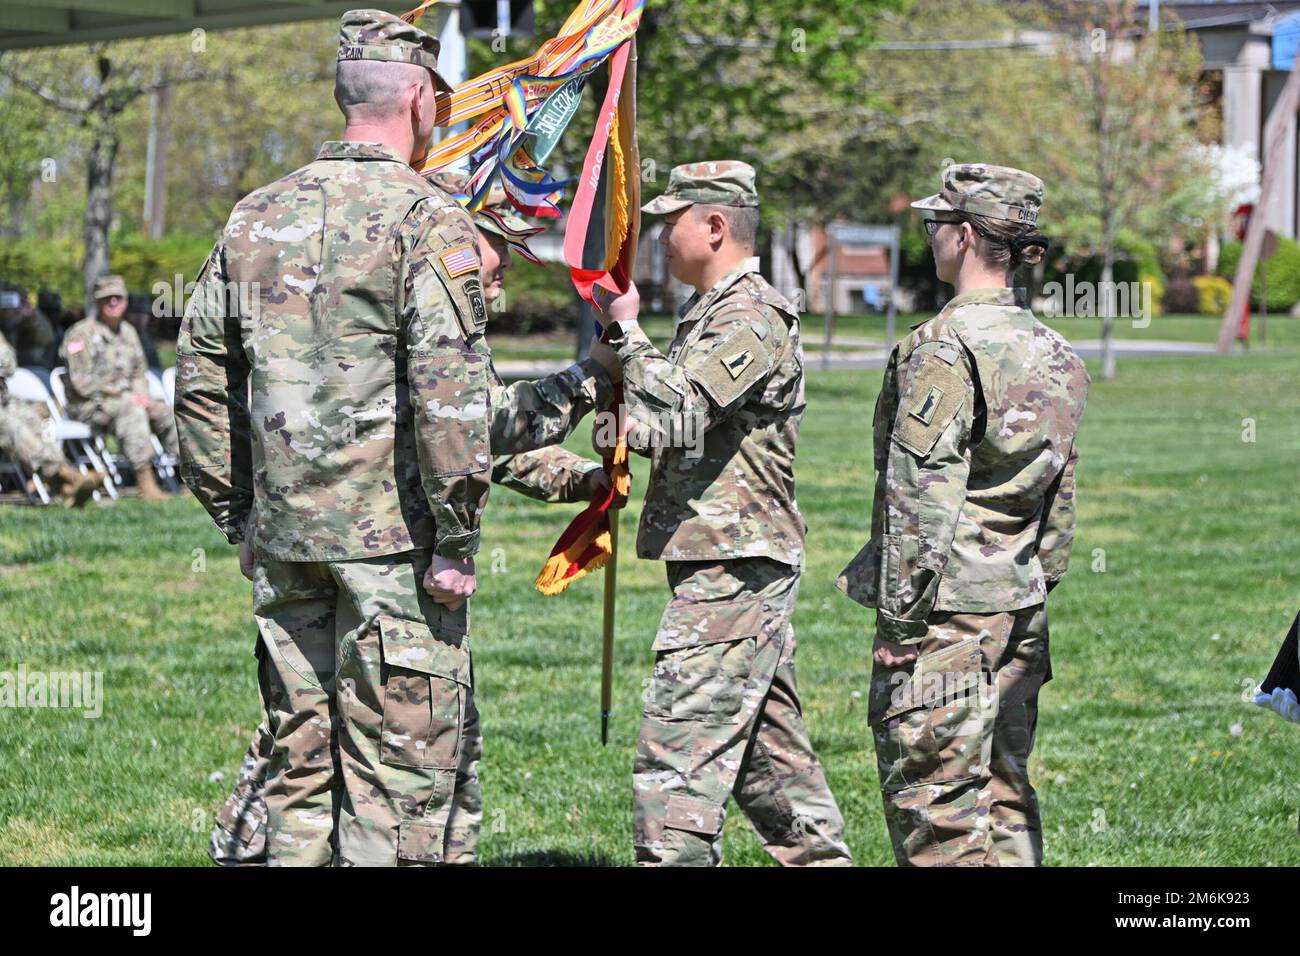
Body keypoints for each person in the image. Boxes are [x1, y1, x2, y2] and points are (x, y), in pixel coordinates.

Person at [177, 8, 621, 867]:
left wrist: (240, 518)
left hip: (288, 540)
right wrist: (456, 539)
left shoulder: (251, 219)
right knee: (401, 778)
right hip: (396, 551)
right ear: (418, 97)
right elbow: (450, 398)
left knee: (296, 768)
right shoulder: (428, 222)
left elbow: (199, 382)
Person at [593, 161, 852, 867]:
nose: (656, 237)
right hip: (719, 560)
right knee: (771, 770)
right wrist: (612, 378)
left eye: (668, 221)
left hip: (734, 567)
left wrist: (630, 337)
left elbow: (679, 409)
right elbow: (657, 431)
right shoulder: (707, 314)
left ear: (714, 225)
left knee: (675, 764)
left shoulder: (753, 315)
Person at [835, 163, 1090, 866]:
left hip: (946, 619)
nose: (931, 240)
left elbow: (922, 498)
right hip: (1019, 609)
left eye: (934, 226)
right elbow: (1059, 503)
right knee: (1005, 802)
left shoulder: (943, 347)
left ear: (966, 235)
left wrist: (899, 624)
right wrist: (1030, 591)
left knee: (938, 816)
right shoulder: (1056, 353)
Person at [59, 275, 177, 501]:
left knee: (166, 412)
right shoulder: (80, 334)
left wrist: (142, 394)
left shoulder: (129, 332)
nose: (113, 302)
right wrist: (127, 395)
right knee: (131, 411)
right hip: (88, 406)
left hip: (126, 399)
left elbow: (139, 373)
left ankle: (192, 477)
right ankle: (145, 482)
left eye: (118, 298)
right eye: (107, 299)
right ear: (97, 302)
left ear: (125, 301)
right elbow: (81, 383)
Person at [0, 329, 105, 506]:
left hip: (4, 400)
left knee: (34, 419)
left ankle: (64, 488)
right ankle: (69, 476)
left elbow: (9, 363)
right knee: (10, 426)